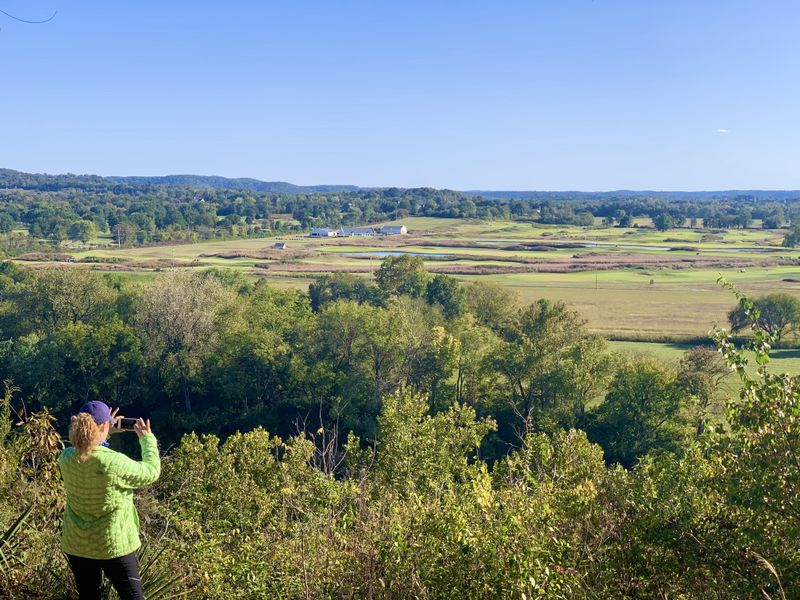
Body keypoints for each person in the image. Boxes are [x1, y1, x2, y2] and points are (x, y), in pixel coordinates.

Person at [59, 401, 160, 600]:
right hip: (112, 544)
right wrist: (147, 440)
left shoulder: (66, 457)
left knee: (89, 595)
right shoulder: (114, 462)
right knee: (132, 596)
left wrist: (106, 431)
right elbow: (151, 472)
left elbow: (87, 449)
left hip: (77, 544)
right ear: (105, 425)